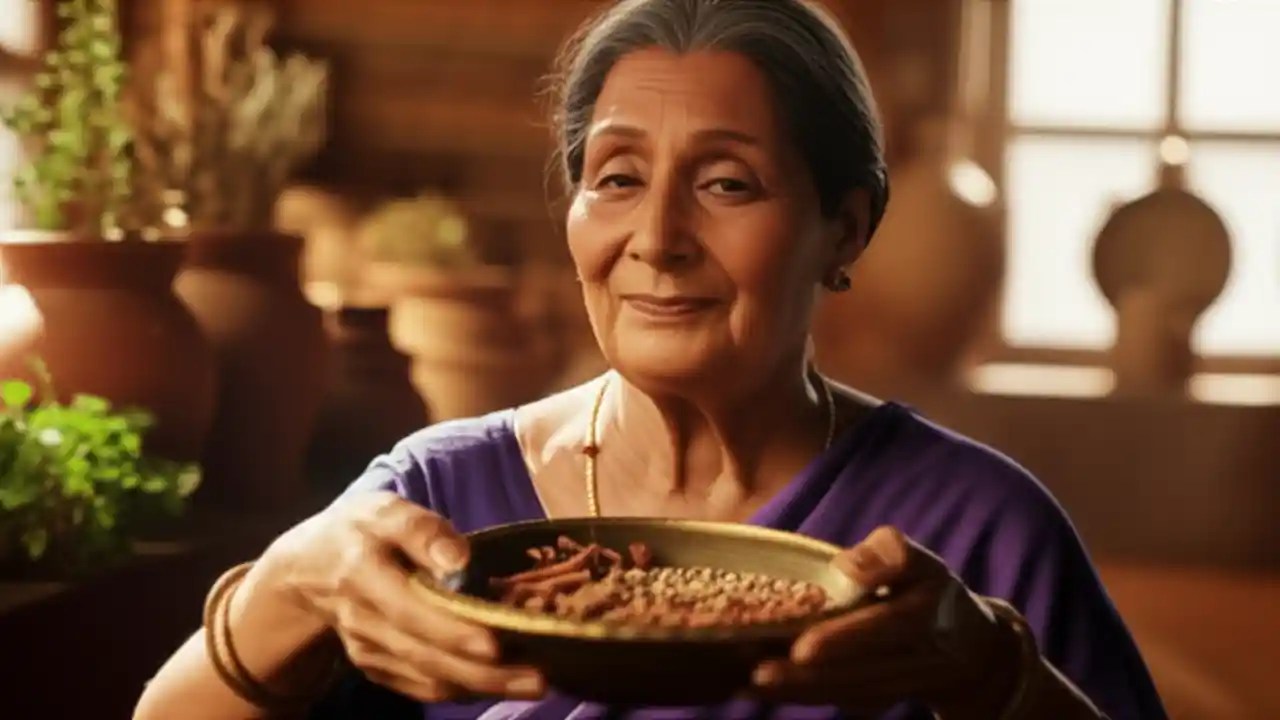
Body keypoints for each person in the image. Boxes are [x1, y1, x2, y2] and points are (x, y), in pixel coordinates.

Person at [134, 1, 1168, 718]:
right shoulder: (437, 499)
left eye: (725, 184)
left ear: (842, 228)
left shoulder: (978, 526)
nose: (657, 238)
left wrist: (992, 678)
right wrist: (287, 586)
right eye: (616, 178)